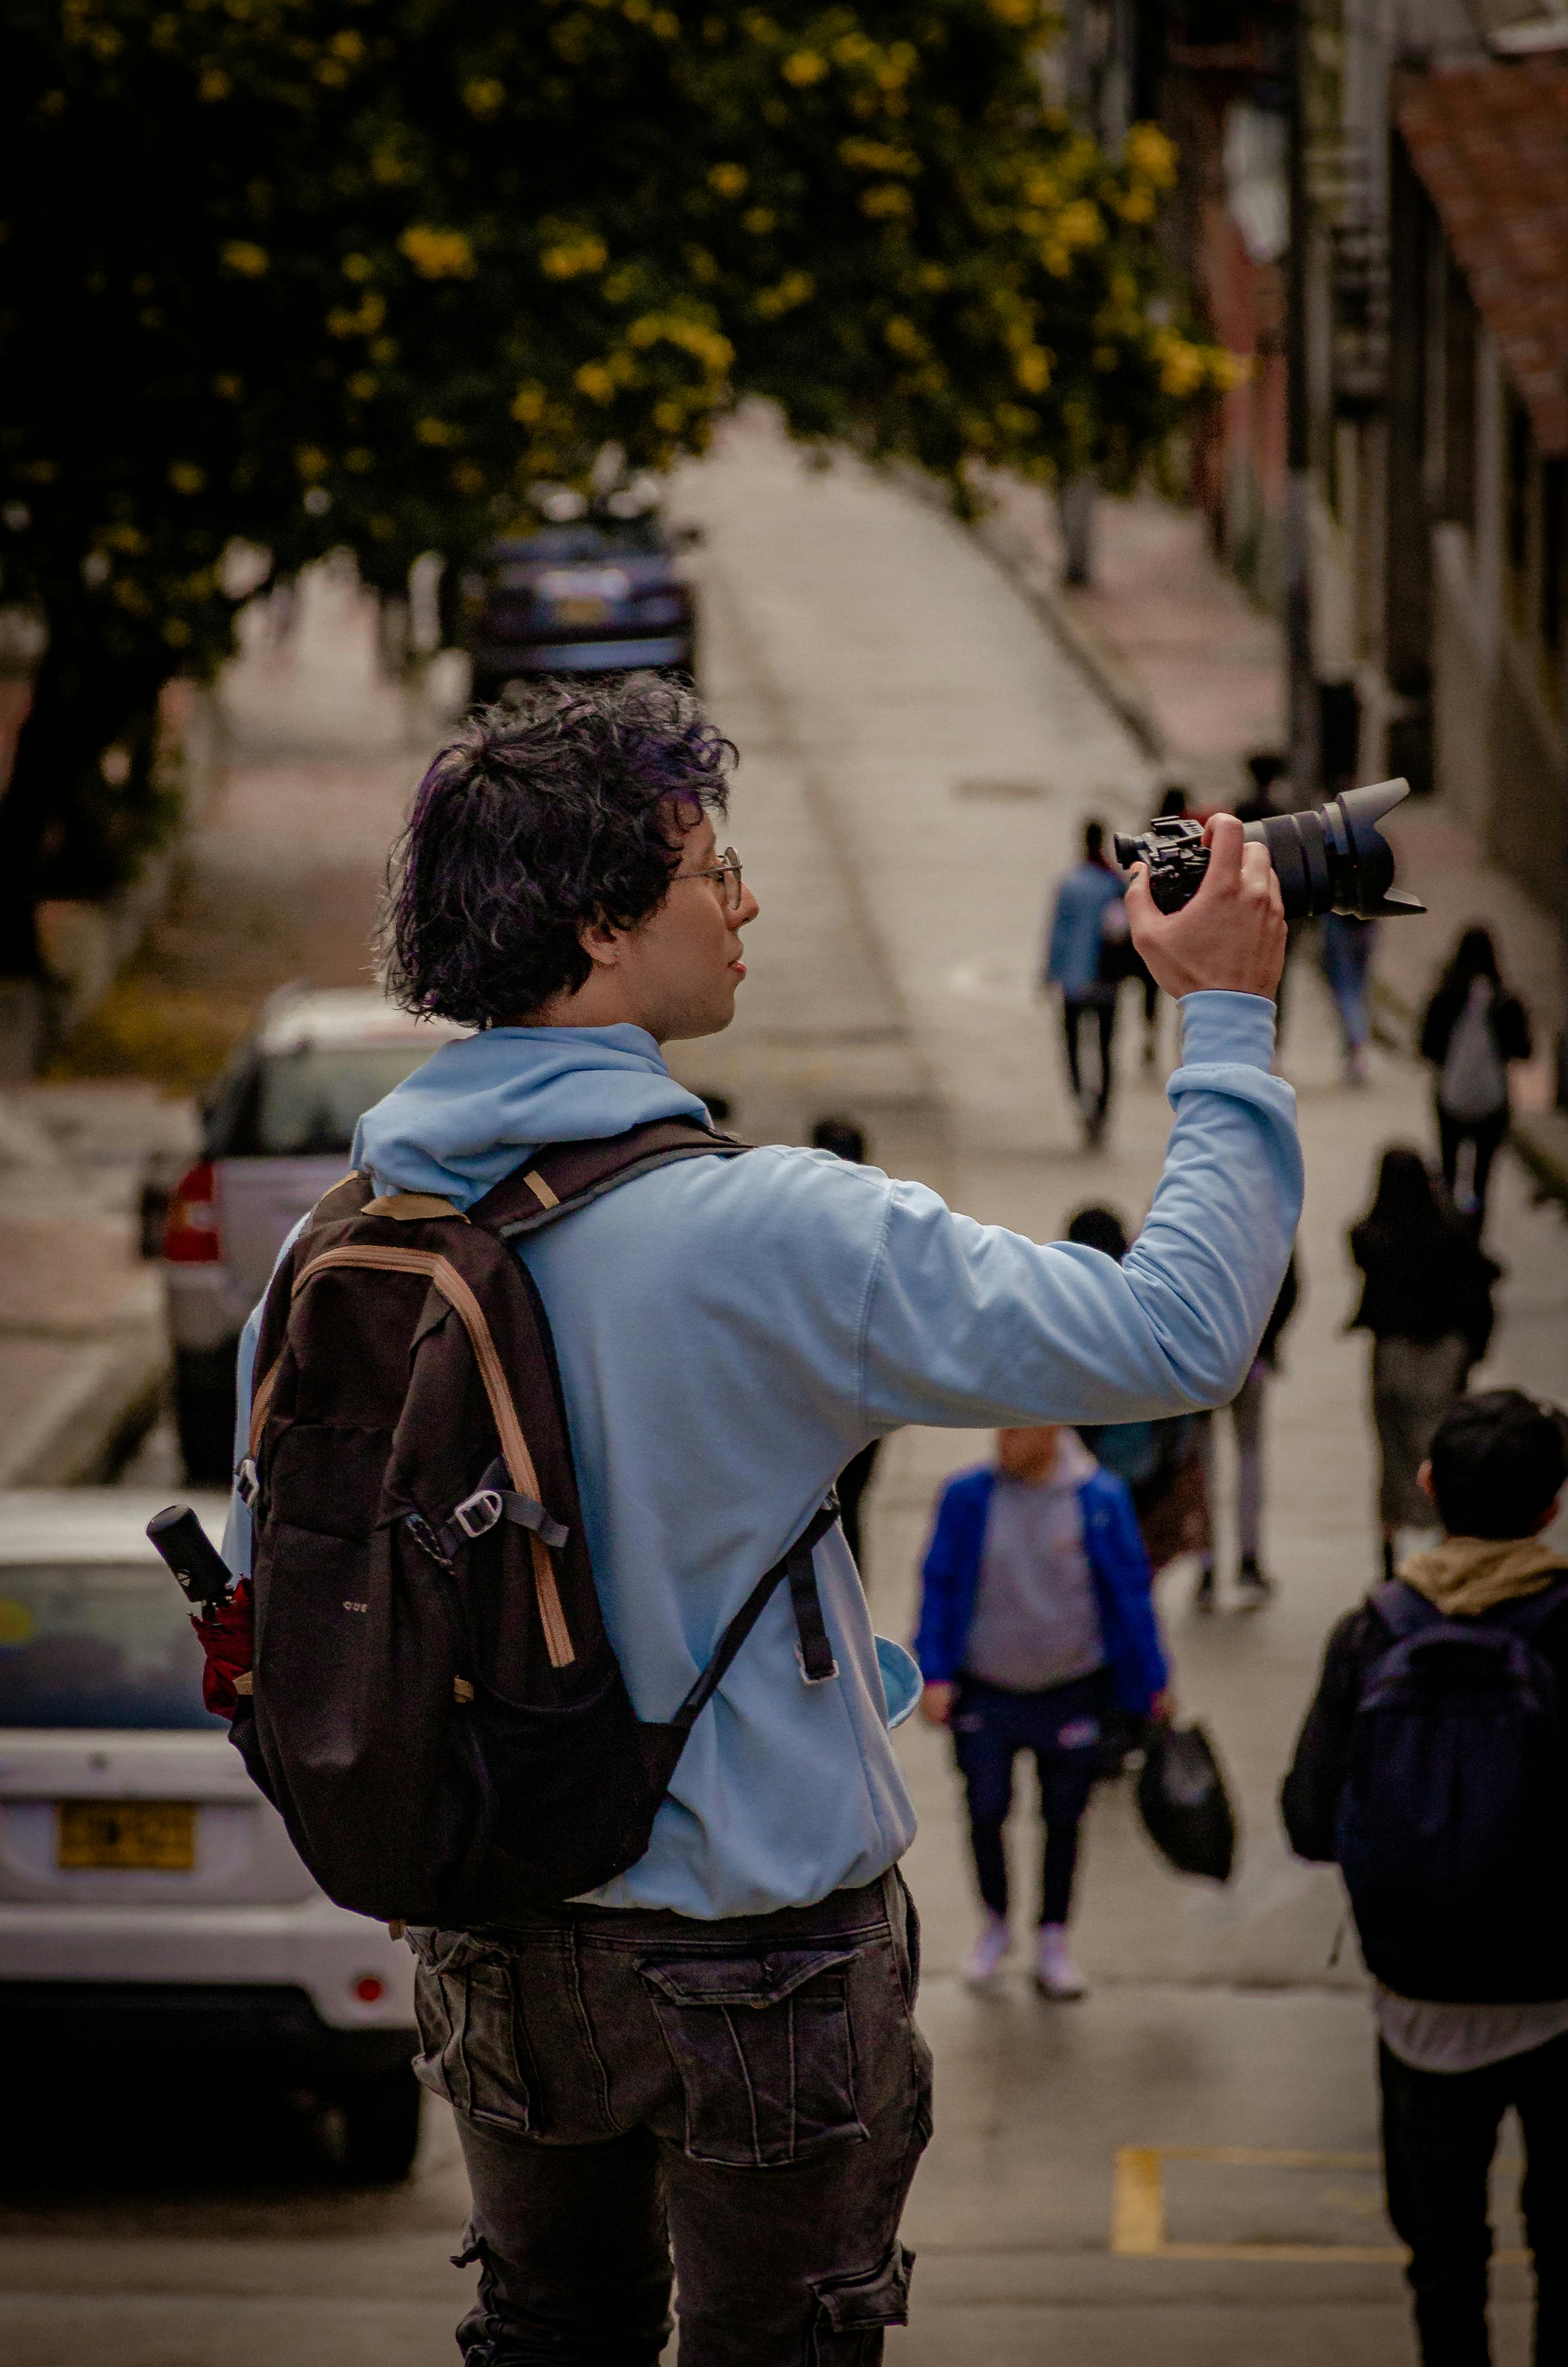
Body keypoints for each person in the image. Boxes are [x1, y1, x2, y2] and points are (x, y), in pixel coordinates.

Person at [226, 678, 1296, 2366]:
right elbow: (1177, 1336)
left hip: (492, 1933)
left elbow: (282, 1605)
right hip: (761, 1957)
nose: (744, 900)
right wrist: (1225, 1017)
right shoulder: (773, 1231)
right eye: (710, 868)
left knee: (544, 2330)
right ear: (599, 928)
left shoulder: (331, 1254)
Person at [1281, 1390, 1568, 2367]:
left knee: (1443, 2255)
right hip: (1554, 1991)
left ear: (1428, 1484)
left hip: (1417, 1998)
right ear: (1551, 1506)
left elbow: (1308, 1818)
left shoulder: (1374, 1631)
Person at [913, 1424, 1168, 1998]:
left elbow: (1131, 1592)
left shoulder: (1099, 1500)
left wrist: (1152, 1679)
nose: (1003, 1441)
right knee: (985, 1809)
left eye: (1017, 1429)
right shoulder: (966, 1497)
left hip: (1071, 1690)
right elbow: (939, 1582)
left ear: (1052, 1429)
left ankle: (1053, 1935)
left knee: (1063, 1817)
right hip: (986, 1689)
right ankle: (995, 1921)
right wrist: (934, 1671)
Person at [1349, 1148, 1500, 1580]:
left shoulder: (1371, 1238)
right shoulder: (1450, 1234)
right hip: (1443, 1359)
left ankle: (1390, 1553)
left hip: (1393, 1356)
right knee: (1443, 1454)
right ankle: (1445, 1544)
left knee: (1393, 1456)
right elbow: (1484, 1282)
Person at [1068, 1205, 1213, 1582]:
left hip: (1095, 1472)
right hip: (1150, 1470)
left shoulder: (1070, 1313)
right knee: (1137, 1573)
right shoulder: (1145, 1303)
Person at [1193, 1254, 1300, 1610]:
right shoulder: (1262, 1220)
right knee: (1249, 1455)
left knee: (1204, 1463)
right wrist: (1264, 1337)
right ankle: (1249, 1559)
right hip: (1252, 1354)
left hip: (1199, 1358)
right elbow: (1288, 1284)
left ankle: (1207, 1565)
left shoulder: (1182, 1216)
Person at [1420, 926, 1532, 1234]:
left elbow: (1427, 1047)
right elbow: (1524, 1050)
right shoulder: (1506, 1002)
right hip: (1494, 1103)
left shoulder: (1445, 998)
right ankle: (1474, 1234)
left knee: (1449, 1172)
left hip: (1450, 1097)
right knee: (1482, 1178)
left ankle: (1448, 1232)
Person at [811, 1114, 881, 1569]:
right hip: (863, 1387)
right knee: (849, 1504)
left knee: (830, 1504)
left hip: (822, 1386)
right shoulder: (879, 1220)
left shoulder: (801, 1219)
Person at [1042, 819, 1128, 1143]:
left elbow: (1058, 934)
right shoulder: (1114, 883)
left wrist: (1049, 974)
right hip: (1106, 981)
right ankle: (1103, 1110)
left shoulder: (1070, 884)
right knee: (1105, 1048)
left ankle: (1081, 1098)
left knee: (1073, 1045)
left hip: (1074, 982)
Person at [1320, 910, 1377, 1086]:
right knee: (1358, 985)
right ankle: (1357, 1046)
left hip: (1341, 919)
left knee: (1346, 988)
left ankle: (1356, 1042)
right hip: (1368, 919)